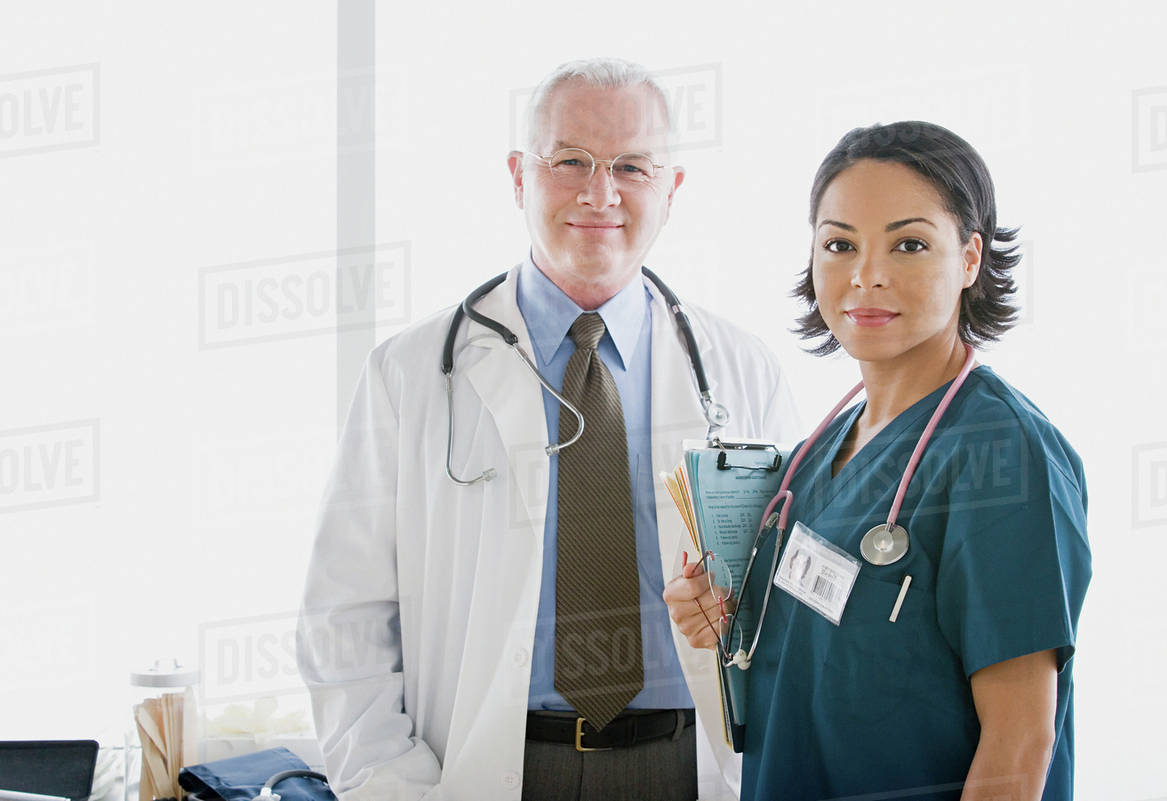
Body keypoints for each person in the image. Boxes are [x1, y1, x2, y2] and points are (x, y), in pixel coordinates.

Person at [297, 58, 798, 801]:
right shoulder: (408, 375)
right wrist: (389, 787)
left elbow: (790, 603)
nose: (601, 192)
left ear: (672, 189)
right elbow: (345, 614)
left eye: (632, 165)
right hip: (491, 770)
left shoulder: (742, 369)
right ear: (518, 175)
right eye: (571, 161)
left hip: (689, 768)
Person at [664, 121, 1091, 801]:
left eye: (910, 244)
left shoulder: (1002, 456)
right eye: (839, 244)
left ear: (971, 258)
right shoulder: (817, 453)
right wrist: (719, 617)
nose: (866, 274)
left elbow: (1020, 747)